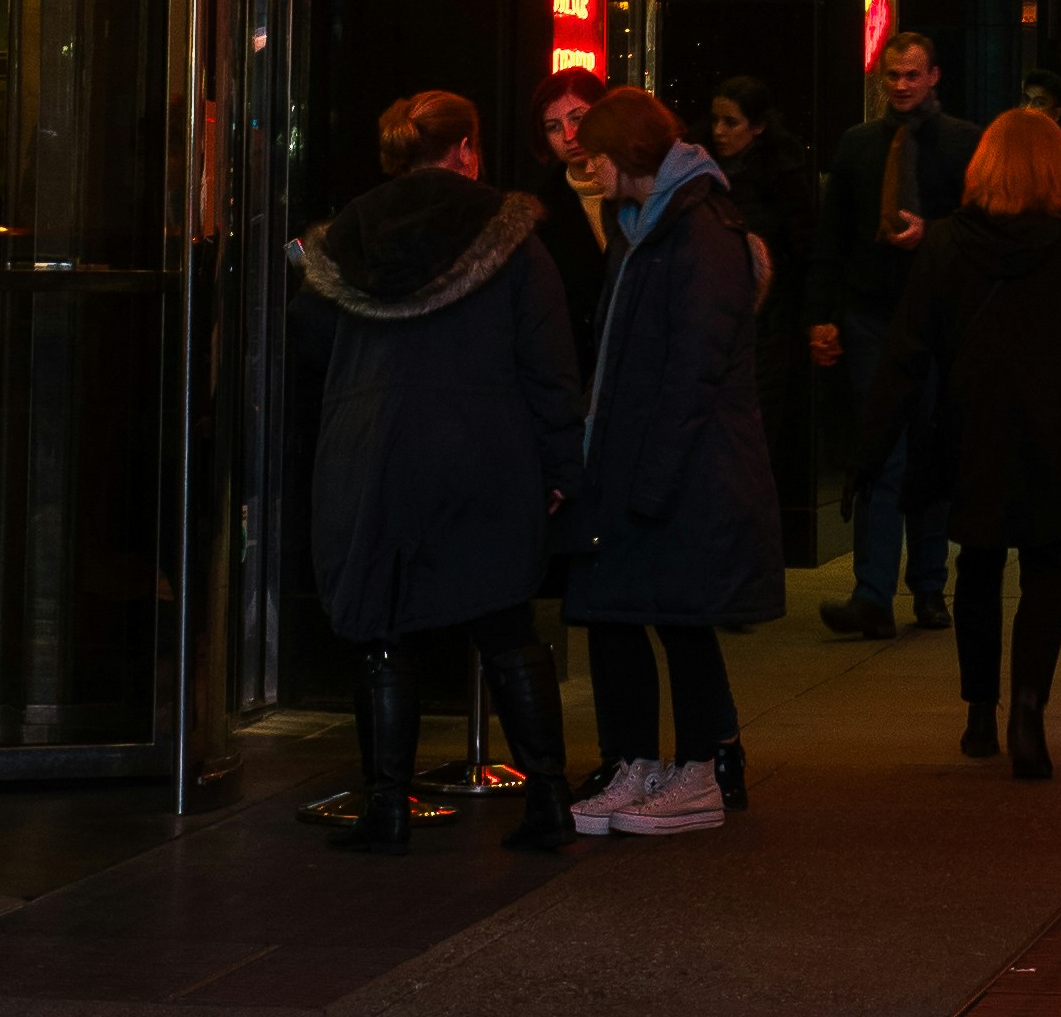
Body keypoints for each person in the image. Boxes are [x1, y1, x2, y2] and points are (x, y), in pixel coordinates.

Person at [295, 89, 585, 850]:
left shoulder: (349, 236)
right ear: (464, 148)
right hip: (486, 449)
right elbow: (548, 361)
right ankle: (548, 799)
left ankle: (388, 806)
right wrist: (562, 462)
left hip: (377, 451)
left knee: (382, 631)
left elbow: (313, 345)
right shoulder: (511, 234)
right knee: (505, 622)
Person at [560, 85, 783, 836]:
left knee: (679, 614)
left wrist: (649, 476)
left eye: (593, 149)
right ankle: (644, 762)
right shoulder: (643, 223)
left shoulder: (697, 228)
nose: (582, 161)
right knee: (626, 609)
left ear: (629, 153)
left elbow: (696, 363)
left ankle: (698, 769)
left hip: (686, 463)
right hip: (643, 454)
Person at [855, 103, 1061, 778]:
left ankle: (976, 713)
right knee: (1046, 573)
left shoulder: (945, 245)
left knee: (980, 567)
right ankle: (1028, 709)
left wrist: (871, 448)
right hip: (1057, 435)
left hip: (972, 431)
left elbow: (906, 353)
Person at [807, 25, 968, 637]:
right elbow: (832, 239)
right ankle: (874, 592)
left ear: (933, 78)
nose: (901, 85)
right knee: (881, 450)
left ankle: (928, 587)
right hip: (872, 313)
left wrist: (934, 233)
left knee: (927, 449)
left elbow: (981, 228)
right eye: (892, 75)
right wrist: (822, 316)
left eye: (911, 75)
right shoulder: (857, 147)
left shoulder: (961, 145)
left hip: (936, 319)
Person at [709, 73, 824, 564]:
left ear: (756, 127)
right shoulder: (711, 168)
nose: (718, 131)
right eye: (715, 120)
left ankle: (746, 555)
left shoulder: (776, 174)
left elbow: (807, 246)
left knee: (750, 441)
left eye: (729, 122)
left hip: (764, 321)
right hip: (733, 316)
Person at [530, 61, 612, 363]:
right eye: (553, 127)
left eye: (578, 118)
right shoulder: (540, 209)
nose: (568, 135)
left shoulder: (640, 188)